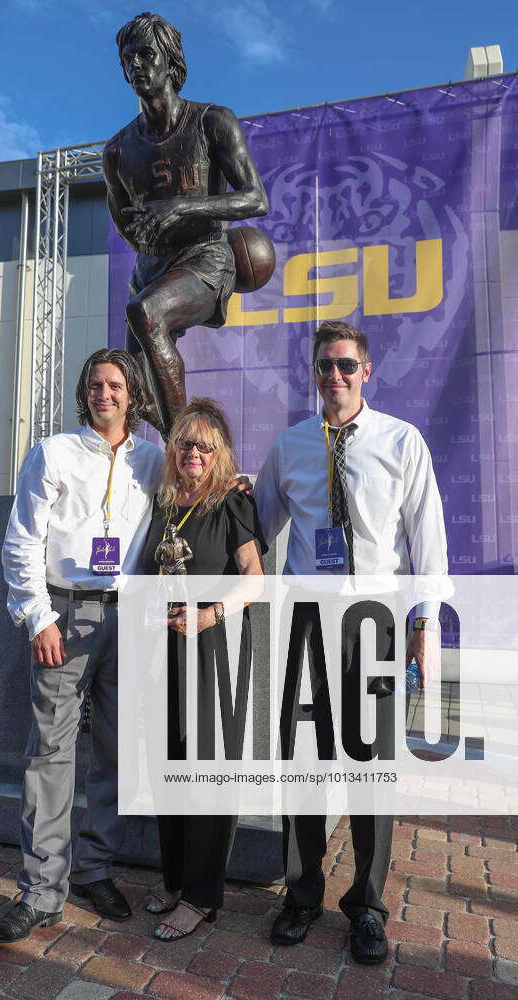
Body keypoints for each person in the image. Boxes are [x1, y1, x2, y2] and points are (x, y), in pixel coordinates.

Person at [254, 320, 447, 965]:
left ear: (367, 371)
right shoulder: (289, 447)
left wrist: (424, 625)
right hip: (307, 618)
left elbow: (429, 540)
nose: (333, 376)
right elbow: (257, 528)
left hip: (376, 617)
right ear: (313, 374)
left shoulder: (401, 441)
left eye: (345, 365)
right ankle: (302, 896)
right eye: (323, 366)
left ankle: (366, 905)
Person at [0, 348, 164, 943]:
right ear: (83, 392)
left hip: (129, 616)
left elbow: (194, 492)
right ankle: (41, 890)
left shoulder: (155, 455)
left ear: (132, 394)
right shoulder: (52, 453)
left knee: (114, 752)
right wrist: (37, 619)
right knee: (51, 754)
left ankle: (93, 868)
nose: (104, 394)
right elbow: (21, 541)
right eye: (95, 384)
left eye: (115, 385)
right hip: (66, 615)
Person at [104, 12, 268, 438]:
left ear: (170, 60)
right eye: (127, 58)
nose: (136, 65)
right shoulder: (118, 150)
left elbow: (255, 198)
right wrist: (141, 231)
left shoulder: (212, 121)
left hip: (206, 256)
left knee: (146, 311)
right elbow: (122, 218)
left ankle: (182, 448)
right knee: (131, 387)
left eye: (146, 54)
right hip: (151, 268)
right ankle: (196, 441)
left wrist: (182, 208)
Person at [140, 398, 266, 940]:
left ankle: (201, 899)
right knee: (167, 768)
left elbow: (255, 578)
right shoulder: (162, 504)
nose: (193, 453)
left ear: (220, 456)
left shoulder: (230, 504)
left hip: (212, 653)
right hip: (158, 654)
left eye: (204, 446)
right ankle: (174, 881)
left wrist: (212, 613)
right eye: (185, 443)